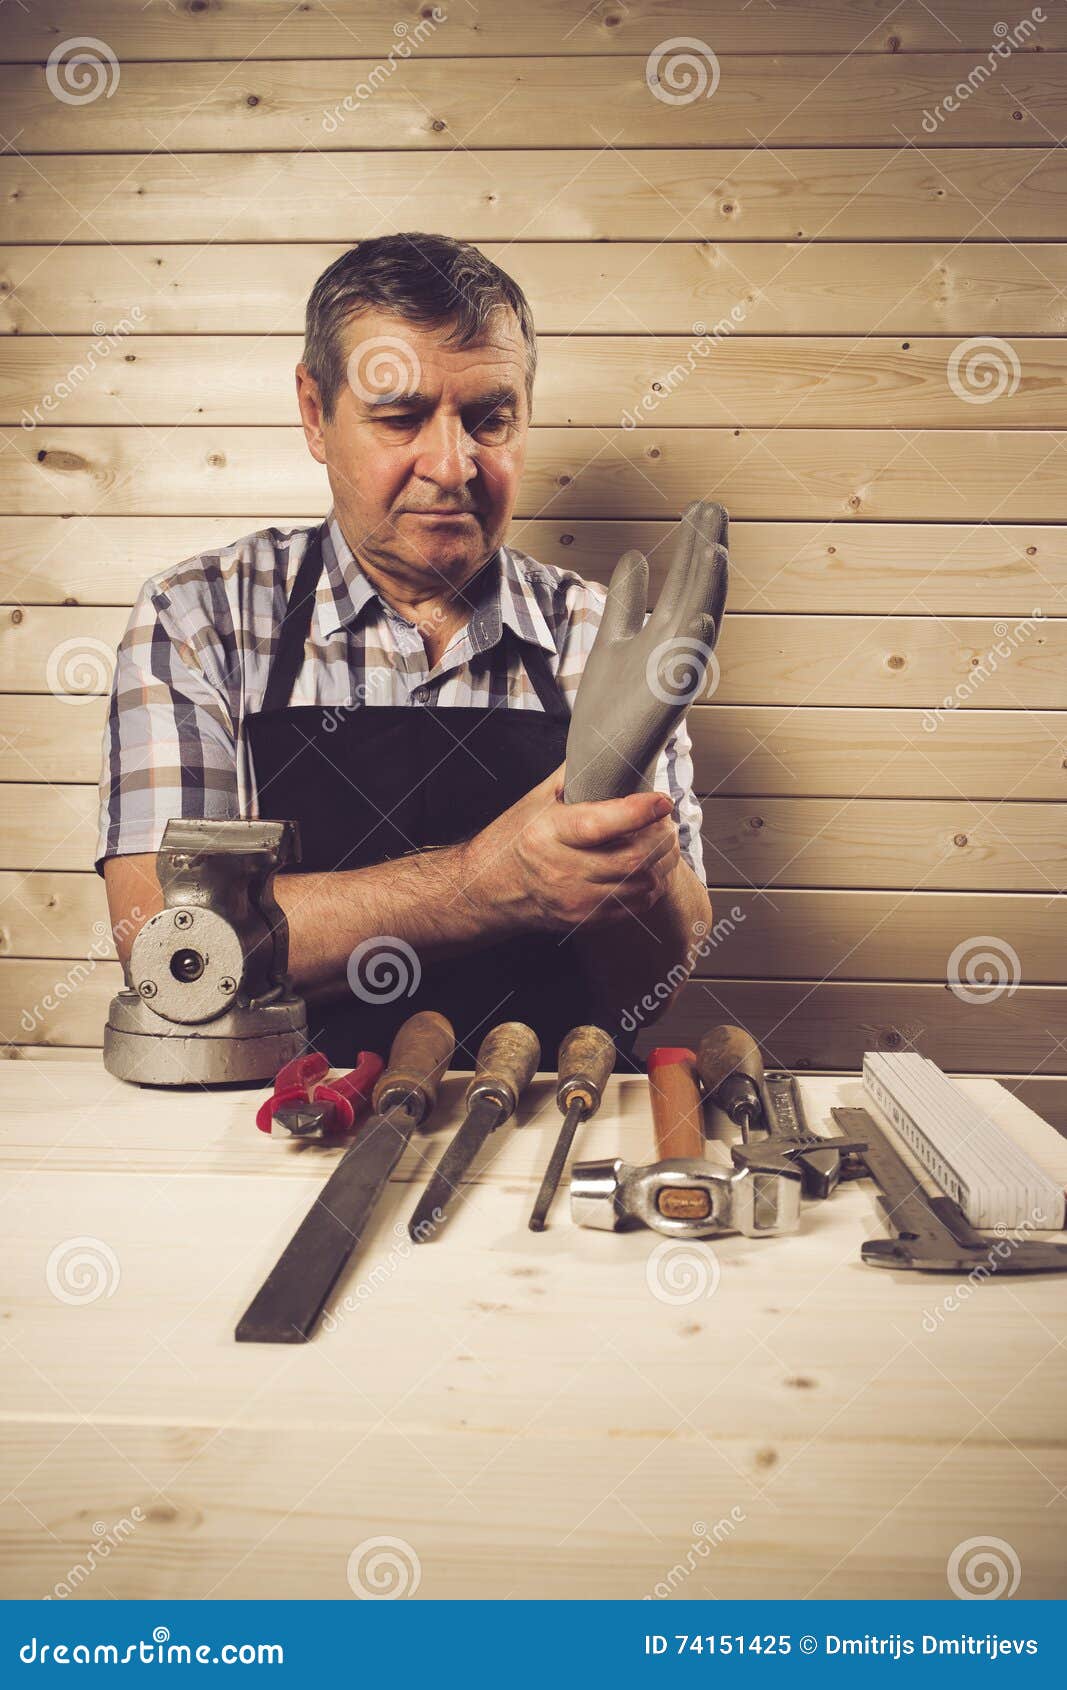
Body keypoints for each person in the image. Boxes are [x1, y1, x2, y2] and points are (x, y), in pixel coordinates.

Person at [97, 232, 712, 1069]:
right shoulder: (201, 619)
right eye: (401, 416)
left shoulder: (602, 637)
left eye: (490, 418)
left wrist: (642, 870)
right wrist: (482, 886)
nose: (451, 464)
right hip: (270, 1121)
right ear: (316, 415)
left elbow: (647, 989)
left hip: (544, 1117)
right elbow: (165, 944)